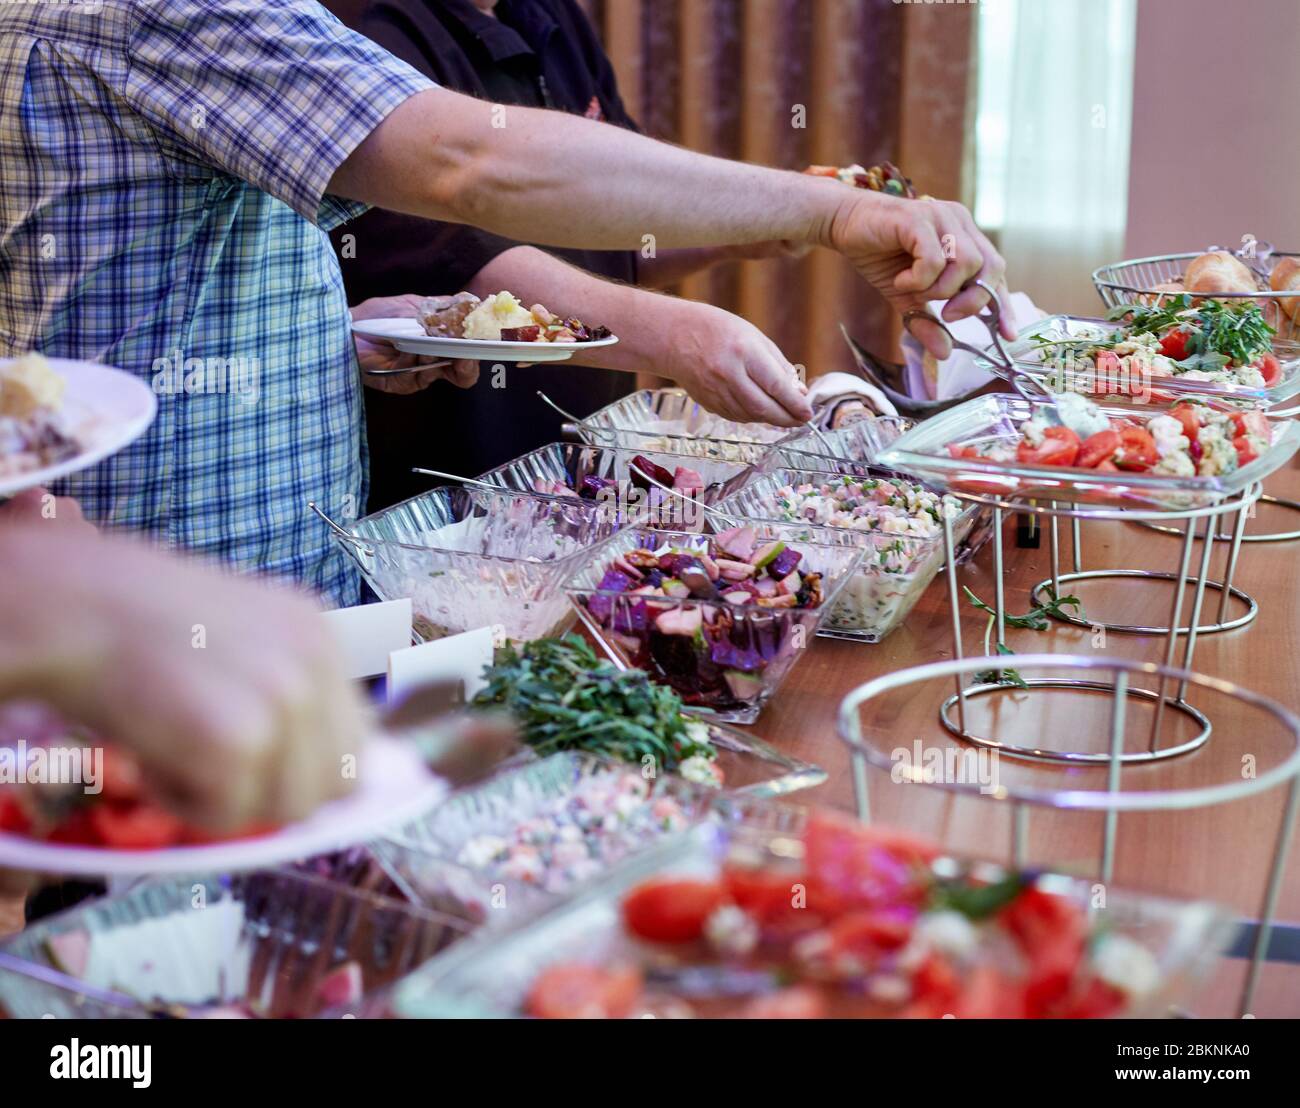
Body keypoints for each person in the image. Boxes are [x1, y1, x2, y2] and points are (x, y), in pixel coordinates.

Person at [0, 0, 1007, 609]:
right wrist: (831, 211)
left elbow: (124, 276)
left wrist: (329, 337)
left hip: (179, 588)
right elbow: (470, 163)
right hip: (175, 604)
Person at [335, 0, 808, 504]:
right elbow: (464, 261)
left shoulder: (548, 14)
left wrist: (754, 227)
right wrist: (680, 334)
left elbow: (623, 229)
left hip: (583, 466)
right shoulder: (370, 27)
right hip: (448, 479)